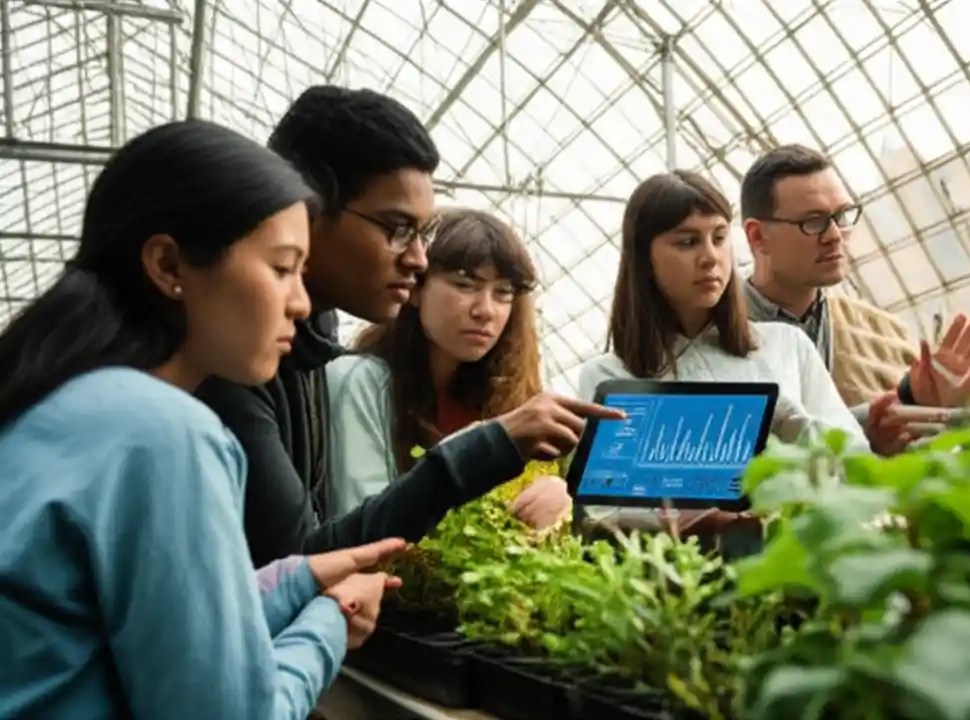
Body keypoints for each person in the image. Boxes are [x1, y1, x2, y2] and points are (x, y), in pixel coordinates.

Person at [0, 120, 405, 719]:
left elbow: (149, 640)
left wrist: (297, 580)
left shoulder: (49, 404)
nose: (300, 303)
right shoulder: (164, 434)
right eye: (282, 268)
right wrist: (330, 622)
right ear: (169, 264)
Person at [194, 85, 620, 567]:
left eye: (504, 293)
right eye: (397, 229)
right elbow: (299, 564)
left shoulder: (310, 346)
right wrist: (486, 452)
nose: (417, 259)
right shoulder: (236, 363)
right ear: (305, 210)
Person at [576, 170, 892, 542]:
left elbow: (857, 465)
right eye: (687, 242)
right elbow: (600, 511)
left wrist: (790, 420)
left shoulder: (786, 346)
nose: (710, 258)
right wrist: (692, 520)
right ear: (644, 257)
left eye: (719, 237)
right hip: (679, 571)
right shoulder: (610, 376)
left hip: (794, 555)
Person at [739, 144, 970, 448]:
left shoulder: (885, 335)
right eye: (813, 222)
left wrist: (924, 403)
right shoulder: (706, 332)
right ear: (757, 236)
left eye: (842, 215)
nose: (835, 235)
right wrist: (863, 435)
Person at [327, 208, 570, 528]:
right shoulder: (360, 381)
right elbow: (360, 527)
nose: (485, 311)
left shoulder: (499, 400)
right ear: (415, 289)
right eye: (465, 285)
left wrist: (556, 495)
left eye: (503, 293)